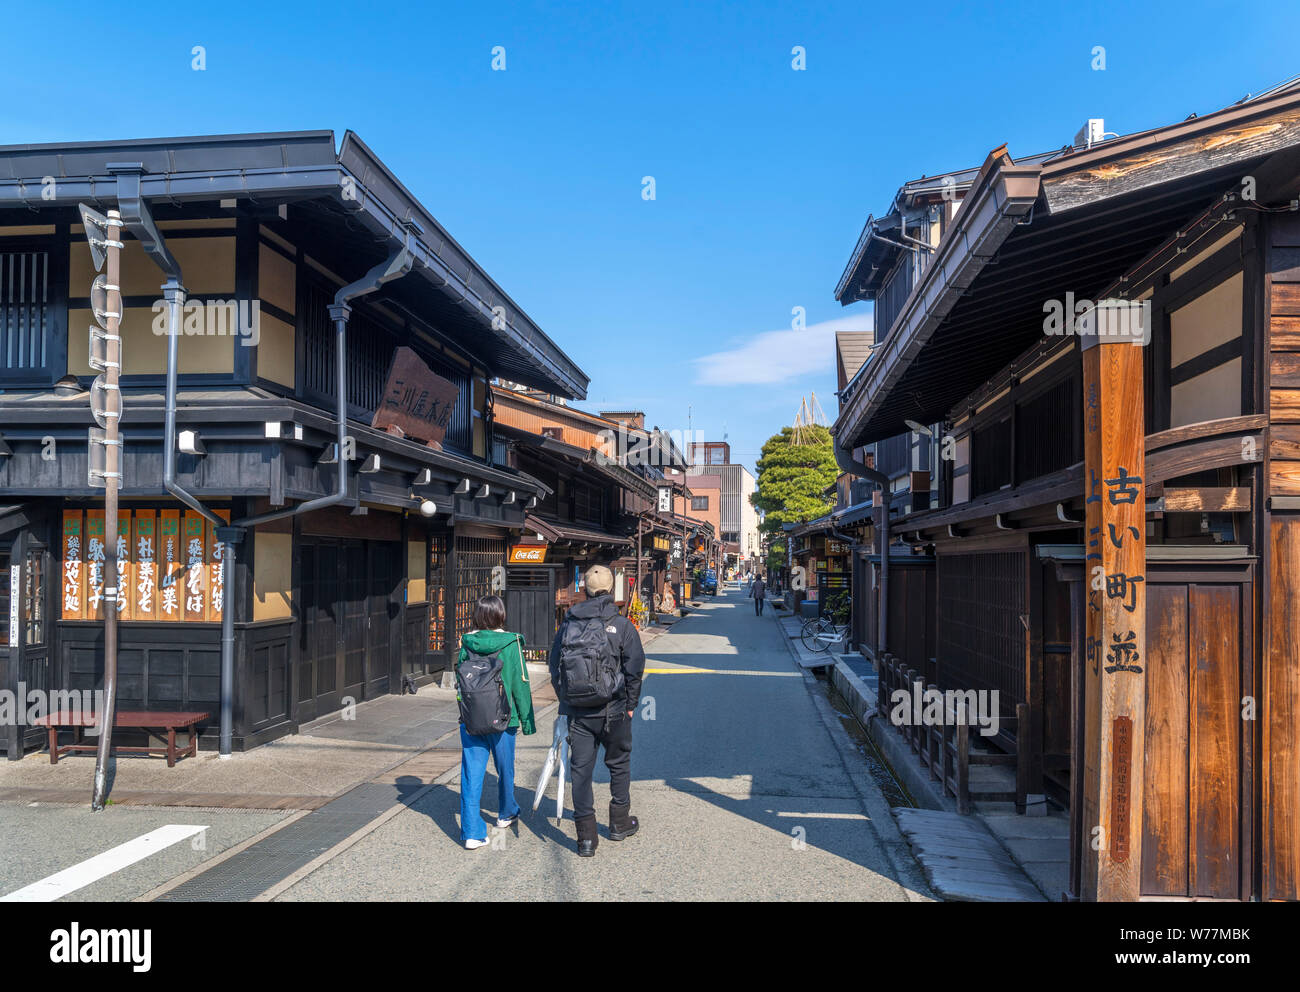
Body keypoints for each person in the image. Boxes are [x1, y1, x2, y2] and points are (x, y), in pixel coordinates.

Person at [548, 564, 646, 857]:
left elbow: (555, 668)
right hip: (614, 709)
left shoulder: (569, 623)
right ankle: (618, 823)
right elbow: (634, 669)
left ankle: (586, 838)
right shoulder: (623, 626)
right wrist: (630, 705)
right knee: (618, 765)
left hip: (579, 714)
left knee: (581, 773)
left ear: (585, 590)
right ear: (611, 589)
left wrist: (567, 700)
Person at [455, 594, 535, 850]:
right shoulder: (511, 643)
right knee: (505, 769)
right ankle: (506, 812)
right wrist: (527, 720)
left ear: (478, 615)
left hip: (471, 718)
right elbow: (521, 683)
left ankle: (471, 833)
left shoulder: (467, 643)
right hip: (503, 717)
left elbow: (461, 683)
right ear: (501, 614)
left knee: (471, 774)